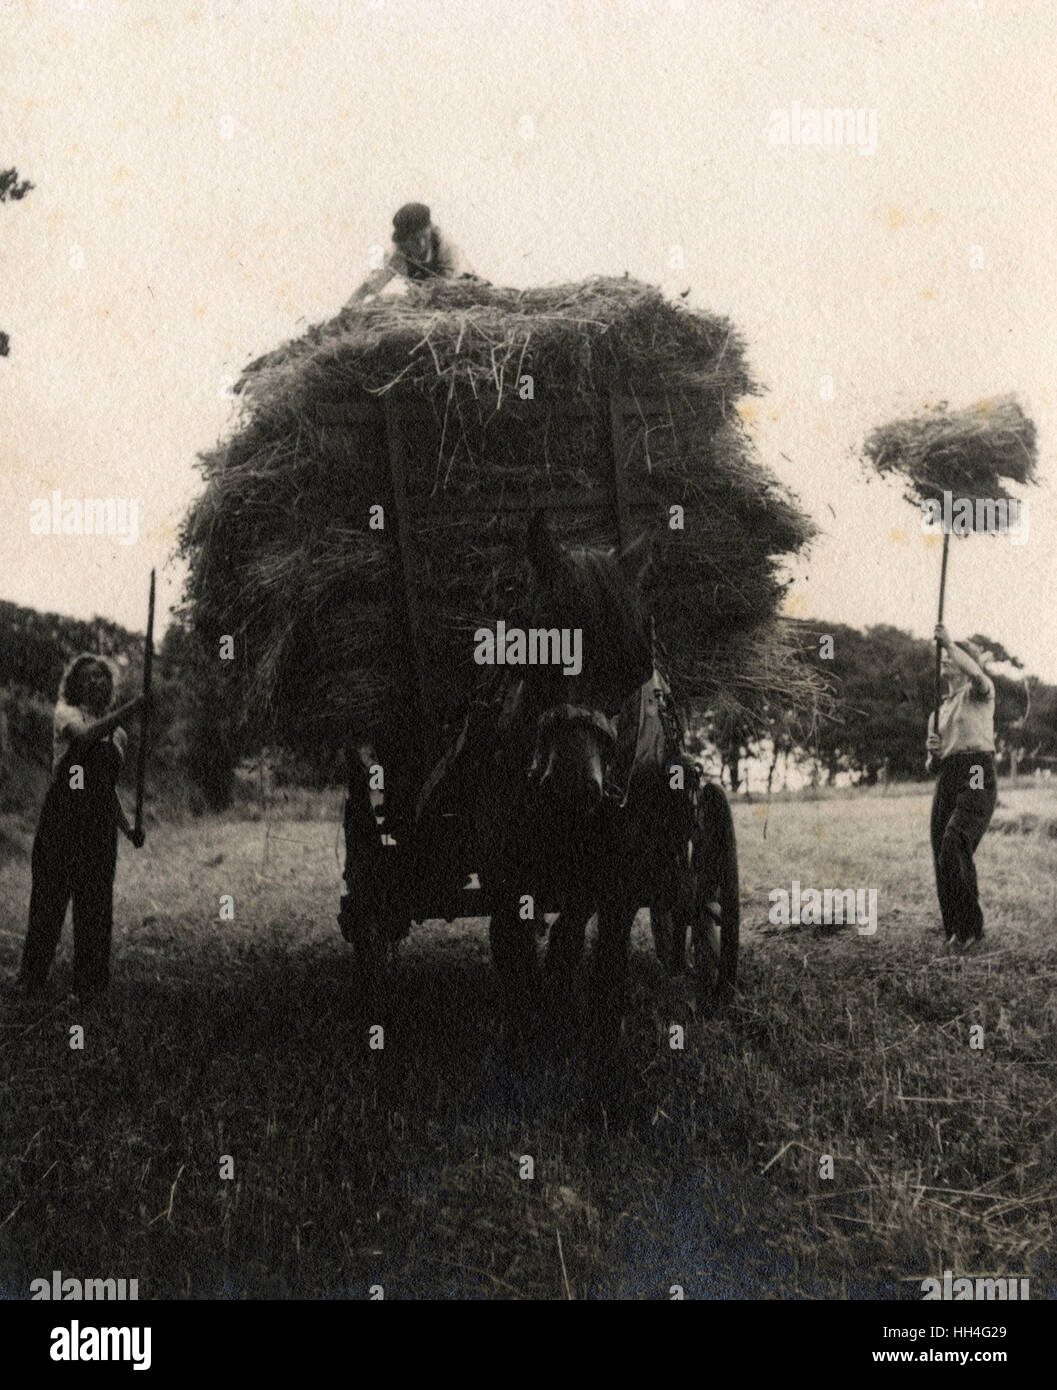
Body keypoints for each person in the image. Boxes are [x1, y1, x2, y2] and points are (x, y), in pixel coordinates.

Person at [14, 654, 145, 1000]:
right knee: (48, 902)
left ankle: (88, 989)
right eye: (87, 677)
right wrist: (131, 709)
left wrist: (128, 828)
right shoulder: (65, 714)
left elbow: (107, 790)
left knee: (96, 907)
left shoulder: (118, 735)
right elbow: (84, 739)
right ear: (75, 684)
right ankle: (30, 980)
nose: (96, 683)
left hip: (99, 828)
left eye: (102, 678)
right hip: (62, 819)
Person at [925, 625, 997, 948]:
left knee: (956, 841)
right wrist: (932, 755)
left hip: (976, 770)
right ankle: (955, 929)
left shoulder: (980, 692)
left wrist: (950, 643)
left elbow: (975, 672)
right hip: (948, 777)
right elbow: (932, 767)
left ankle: (973, 927)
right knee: (941, 851)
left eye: (952, 656)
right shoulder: (938, 711)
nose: (945, 659)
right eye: (944, 656)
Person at [346, 202, 475, 305]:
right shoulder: (398, 254)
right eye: (414, 240)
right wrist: (347, 310)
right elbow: (371, 285)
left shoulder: (446, 247)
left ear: (430, 228)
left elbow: (452, 284)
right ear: (403, 240)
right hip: (427, 299)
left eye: (425, 237)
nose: (421, 244)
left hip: (463, 292)